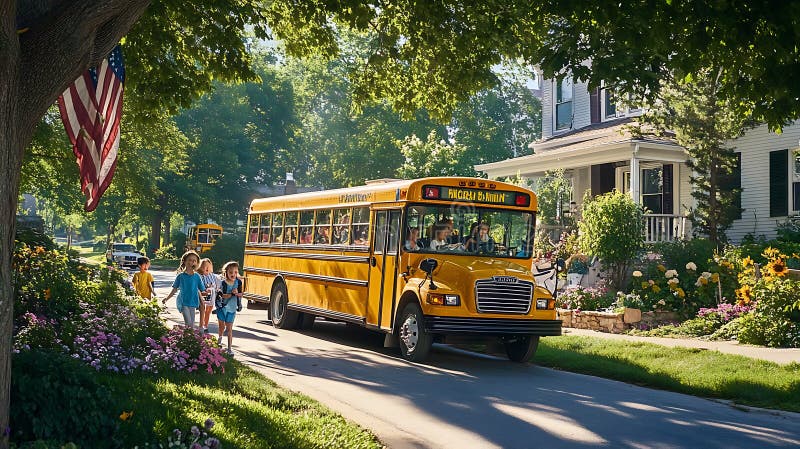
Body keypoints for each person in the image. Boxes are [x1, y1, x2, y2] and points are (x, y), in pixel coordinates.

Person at [162, 250, 207, 328]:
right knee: (188, 322)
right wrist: (167, 298)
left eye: (194, 261)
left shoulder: (197, 276)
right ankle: (181, 334)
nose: (191, 262)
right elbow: (174, 289)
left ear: (197, 263)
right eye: (189, 260)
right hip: (183, 302)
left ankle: (185, 336)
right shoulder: (181, 276)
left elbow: (203, 289)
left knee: (191, 325)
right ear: (184, 261)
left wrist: (208, 292)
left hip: (193, 302)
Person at [216, 261, 243, 356]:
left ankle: (229, 348)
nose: (233, 274)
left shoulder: (238, 282)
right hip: (222, 307)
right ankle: (219, 339)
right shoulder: (223, 283)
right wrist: (232, 293)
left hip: (232, 308)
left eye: (235, 272)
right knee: (221, 326)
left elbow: (241, 294)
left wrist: (237, 294)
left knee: (229, 328)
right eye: (231, 272)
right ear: (226, 272)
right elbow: (223, 296)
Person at [198, 258, 220, 333]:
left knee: (208, 311)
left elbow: (218, 283)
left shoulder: (213, 276)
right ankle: (201, 324)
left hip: (212, 294)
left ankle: (205, 325)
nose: (206, 268)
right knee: (203, 309)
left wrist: (217, 290)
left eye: (208, 266)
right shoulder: (201, 276)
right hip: (204, 294)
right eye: (204, 266)